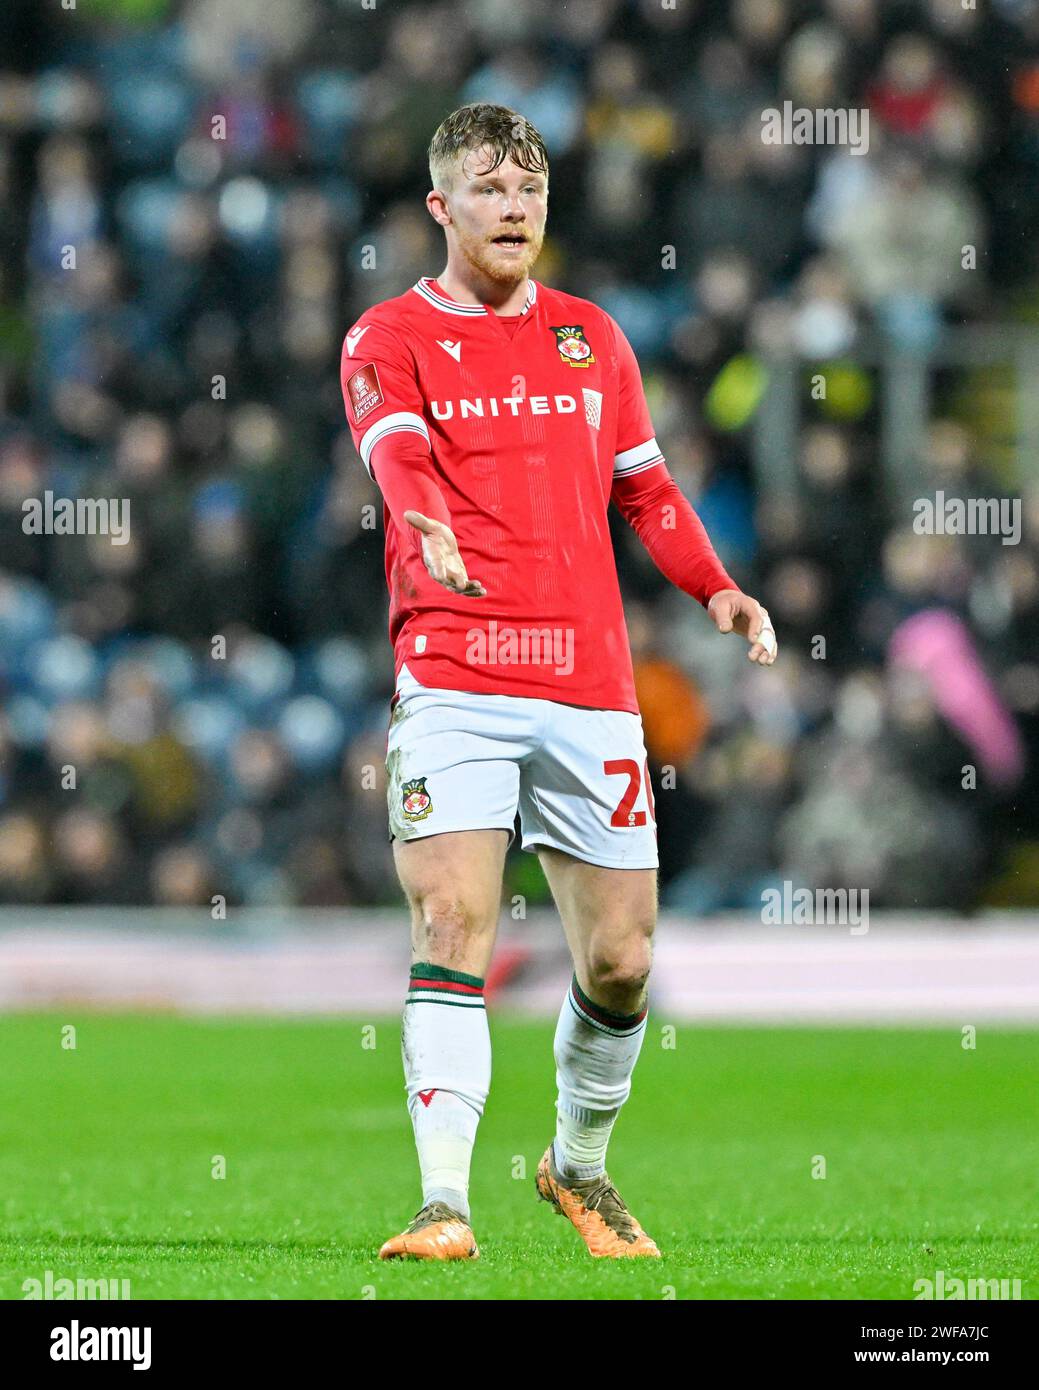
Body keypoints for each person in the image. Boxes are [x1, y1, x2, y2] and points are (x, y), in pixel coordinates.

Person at [341, 103, 777, 1262]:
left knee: (623, 957)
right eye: (488, 189)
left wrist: (714, 587)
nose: (515, 206)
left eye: (529, 187)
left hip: (589, 681)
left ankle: (575, 1167)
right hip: (455, 670)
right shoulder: (387, 335)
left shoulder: (592, 338)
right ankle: (444, 1204)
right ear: (441, 207)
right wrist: (425, 522)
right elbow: (396, 452)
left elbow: (645, 487)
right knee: (451, 915)